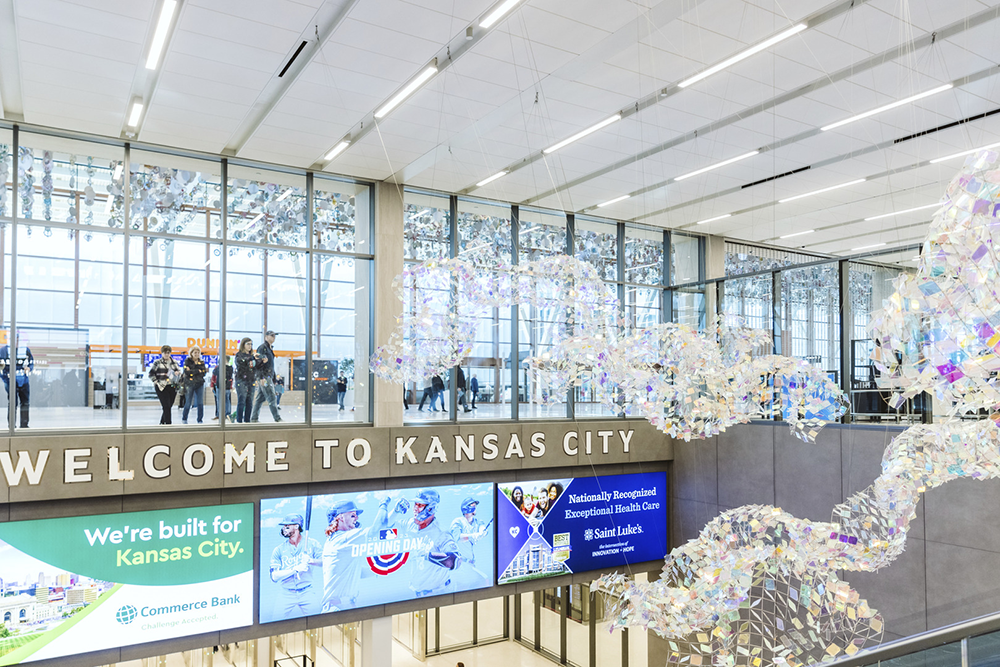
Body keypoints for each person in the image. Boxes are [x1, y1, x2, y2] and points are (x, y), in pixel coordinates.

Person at [382, 490, 461, 598]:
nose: (415, 508)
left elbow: (455, 561)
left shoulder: (441, 532)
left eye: (420, 505)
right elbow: (383, 527)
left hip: (440, 593)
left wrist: (426, 555)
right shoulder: (410, 524)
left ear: (430, 508)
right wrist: (395, 511)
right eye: (415, 504)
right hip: (417, 595)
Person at [321, 498, 389, 613]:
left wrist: (381, 569)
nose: (357, 518)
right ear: (340, 517)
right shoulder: (344, 538)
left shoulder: (334, 540)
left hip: (343, 607)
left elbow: (356, 572)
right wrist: (383, 505)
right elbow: (378, 528)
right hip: (337, 610)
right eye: (353, 515)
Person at [269, 514, 322, 618]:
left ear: (297, 526)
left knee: (319, 620)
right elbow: (274, 576)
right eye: (283, 526)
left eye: (287, 526)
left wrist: (311, 561)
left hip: (307, 591)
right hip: (286, 593)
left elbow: (326, 562)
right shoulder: (279, 550)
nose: (284, 529)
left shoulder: (312, 543)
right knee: (274, 620)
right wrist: (295, 569)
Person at [0, 338, 33, 428]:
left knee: (25, 403)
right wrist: (5, 378)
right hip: (10, 381)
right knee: (12, 403)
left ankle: (24, 425)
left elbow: (31, 362)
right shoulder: (3, 351)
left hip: (23, 380)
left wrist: (29, 368)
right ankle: (11, 426)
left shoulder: (26, 350)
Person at [450, 498, 489, 571]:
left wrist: (483, 532)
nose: (475, 508)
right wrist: (473, 536)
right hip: (460, 565)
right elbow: (457, 538)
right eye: (473, 505)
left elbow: (483, 528)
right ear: (466, 508)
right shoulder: (457, 522)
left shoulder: (478, 521)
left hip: (472, 564)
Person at [251, 331, 281, 423]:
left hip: (268, 376)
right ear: (266, 337)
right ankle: (277, 418)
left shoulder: (269, 349)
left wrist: (274, 378)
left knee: (260, 398)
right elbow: (258, 364)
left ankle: (254, 418)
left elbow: (270, 366)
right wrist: (261, 378)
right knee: (271, 397)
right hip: (264, 377)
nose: (273, 337)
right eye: (271, 336)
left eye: (274, 336)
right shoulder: (262, 348)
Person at [148, 345, 181, 425]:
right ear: (162, 353)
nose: (166, 354)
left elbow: (179, 372)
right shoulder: (157, 362)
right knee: (166, 405)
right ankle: (168, 423)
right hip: (161, 386)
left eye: (168, 353)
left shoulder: (174, 362)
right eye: (165, 353)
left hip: (172, 386)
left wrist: (177, 373)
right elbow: (151, 374)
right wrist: (155, 381)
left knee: (169, 405)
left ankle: (162, 422)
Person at [181, 346, 207, 424]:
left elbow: (204, 372)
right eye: (195, 352)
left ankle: (200, 419)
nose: (197, 354)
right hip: (189, 384)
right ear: (191, 353)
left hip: (199, 384)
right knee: (188, 402)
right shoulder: (187, 361)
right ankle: (184, 418)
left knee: (200, 402)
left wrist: (192, 371)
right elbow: (187, 372)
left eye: (198, 352)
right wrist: (197, 370)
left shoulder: (201, 362)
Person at [234, 337, 255, 423]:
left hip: (251, 380)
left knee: (249, 402)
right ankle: (239, 421)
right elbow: (241, 365)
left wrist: (261, 361)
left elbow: (255, 368)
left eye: (251, 344)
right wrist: (251, 360)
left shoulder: (252, 356)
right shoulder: (239, 355)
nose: (250, 346)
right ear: (243, 345)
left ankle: (247, 421)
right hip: (241, 380)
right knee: (242, 401)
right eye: (248, 344)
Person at [211, 355, 233, 421]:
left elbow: (229, 376)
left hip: (227, 386)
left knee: (227, 400)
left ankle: (227, 414)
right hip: (219, 386)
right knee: (218, 400)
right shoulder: (218, 367)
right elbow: (214, 373)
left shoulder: (229, 367)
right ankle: (219, 414)